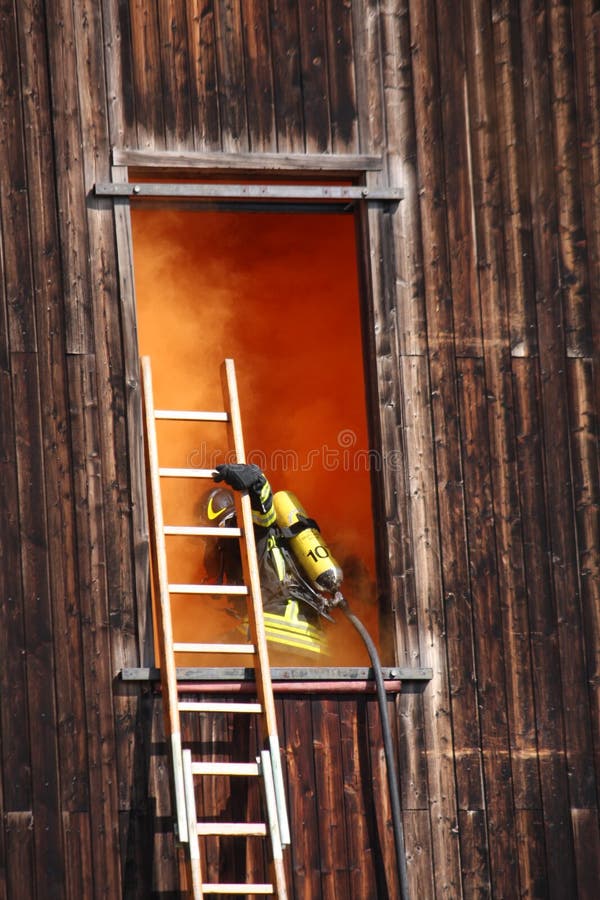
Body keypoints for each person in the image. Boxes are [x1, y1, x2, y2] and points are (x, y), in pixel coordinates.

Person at [202, 463, 336, 665]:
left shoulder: (237, 528)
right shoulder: (274, 537)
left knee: (209, 660)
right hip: (312, 641)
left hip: (277, 631)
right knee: (220, 646)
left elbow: (263, 515)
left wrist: (256, 480)